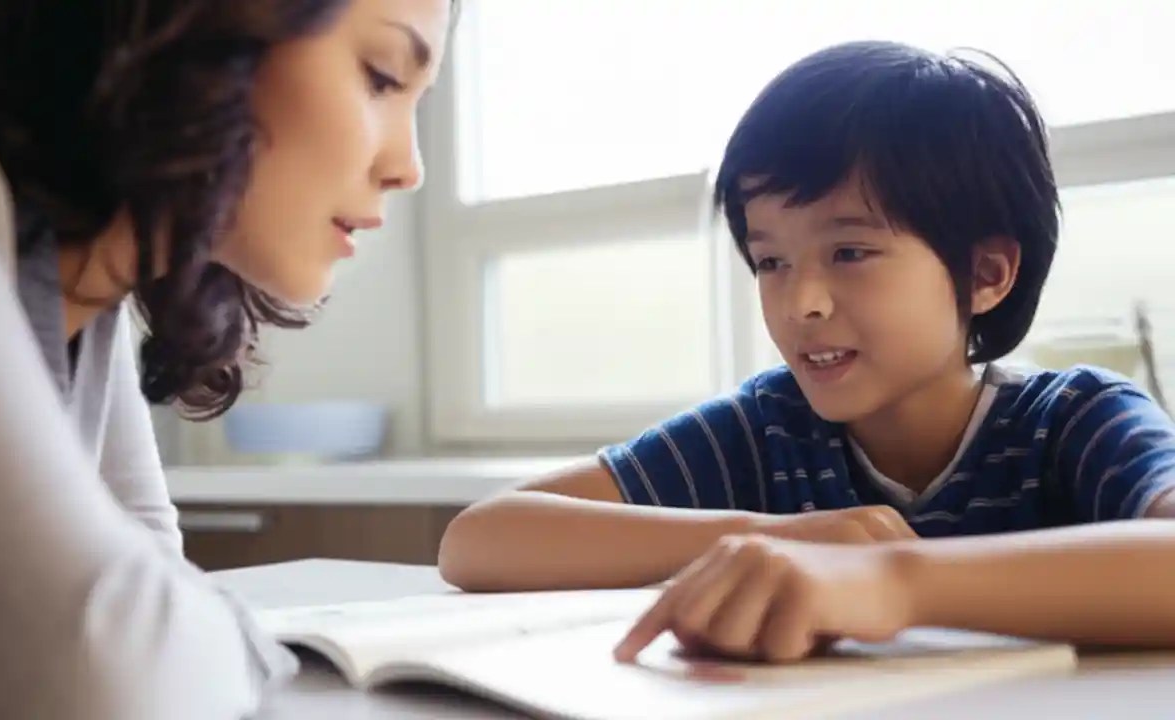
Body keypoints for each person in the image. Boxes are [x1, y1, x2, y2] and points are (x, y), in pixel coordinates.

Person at [437, 41, 1175, 662]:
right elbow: (479, 540)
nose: (800, 304)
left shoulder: (1075, 421)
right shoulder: (768, 432)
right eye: (771, 263)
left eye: (850, 251)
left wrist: (891, 580)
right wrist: (774, 539)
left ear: (985, 274)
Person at [0, 1, 449, 717]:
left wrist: (186, 628)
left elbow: (151, 582)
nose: (408, 168)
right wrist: (232, 639)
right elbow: (102, 667)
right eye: (380, 77)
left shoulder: (86, 282)